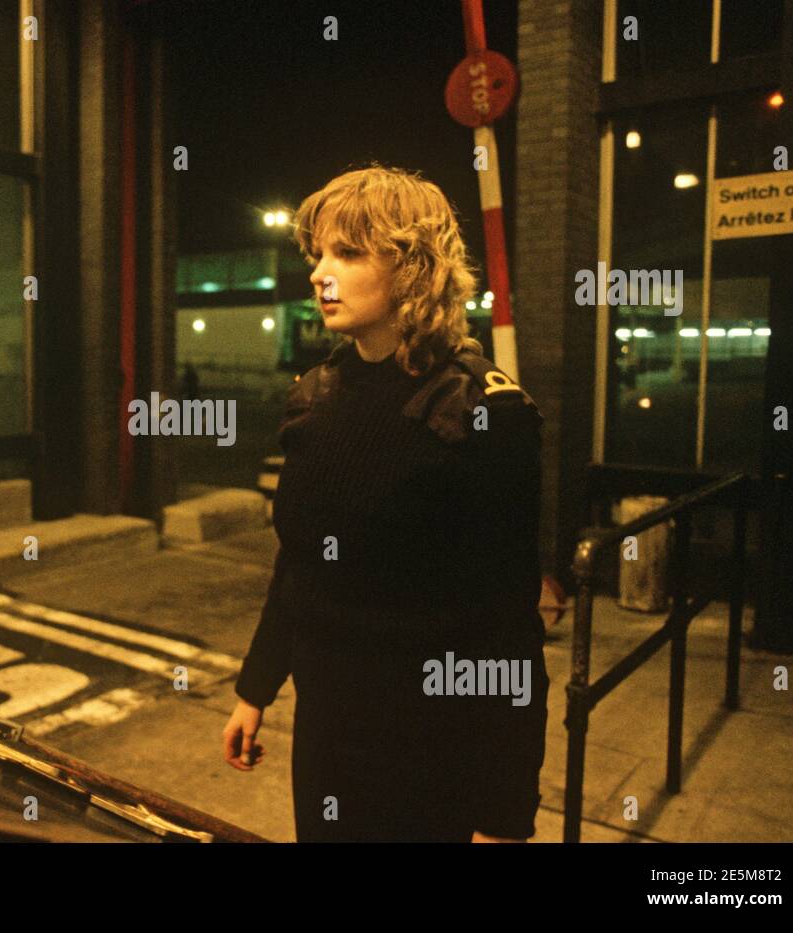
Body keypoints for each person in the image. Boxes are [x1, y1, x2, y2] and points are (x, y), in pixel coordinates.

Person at [221, 165, 549, 843]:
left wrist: (504, 814)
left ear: (411, 267)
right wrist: (257, 686)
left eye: (346, 252)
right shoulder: (316, 396)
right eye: (317, 254)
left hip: (434, 750)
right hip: (328, 734)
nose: (318, 272)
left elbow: (508, 630)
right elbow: (301, 565)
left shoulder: (483, 411)